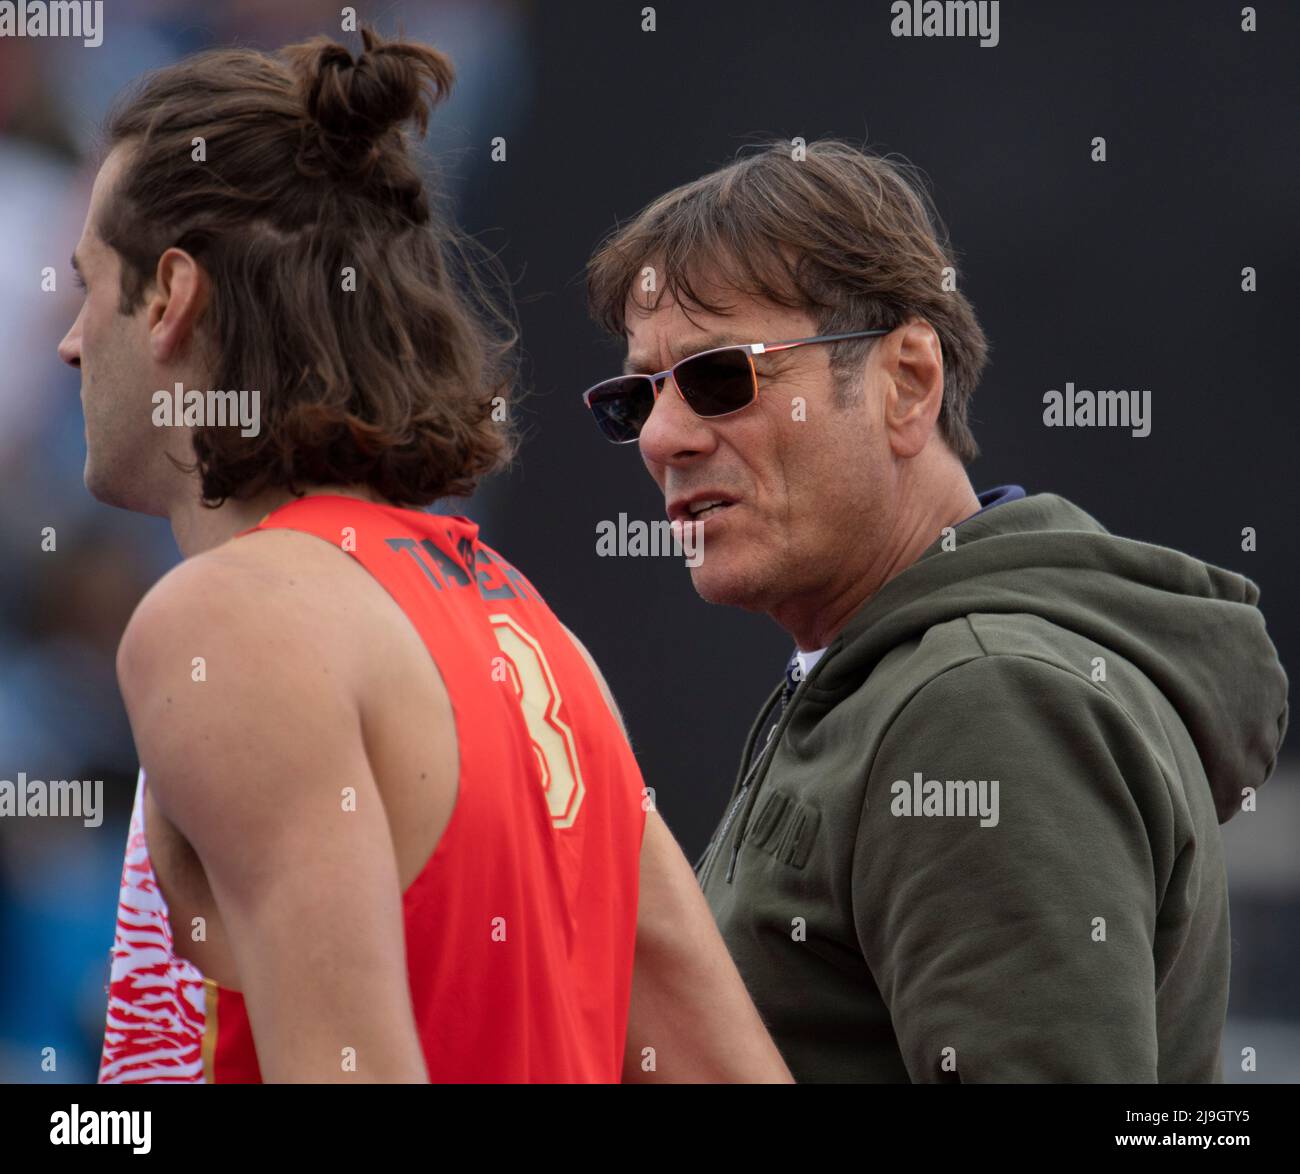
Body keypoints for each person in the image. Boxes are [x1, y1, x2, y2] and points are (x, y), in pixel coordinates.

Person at [66, 28, 790, 1084]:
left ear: (172, 296)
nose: (70, 338)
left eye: (87, 283)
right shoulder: (538, 636)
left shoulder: (225, 620)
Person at [581, 138, 1289, 1082]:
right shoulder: (897, 674)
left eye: (722, 376)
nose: (665, 437)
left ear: (907, 384)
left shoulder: (984, 703)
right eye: (638, 398)